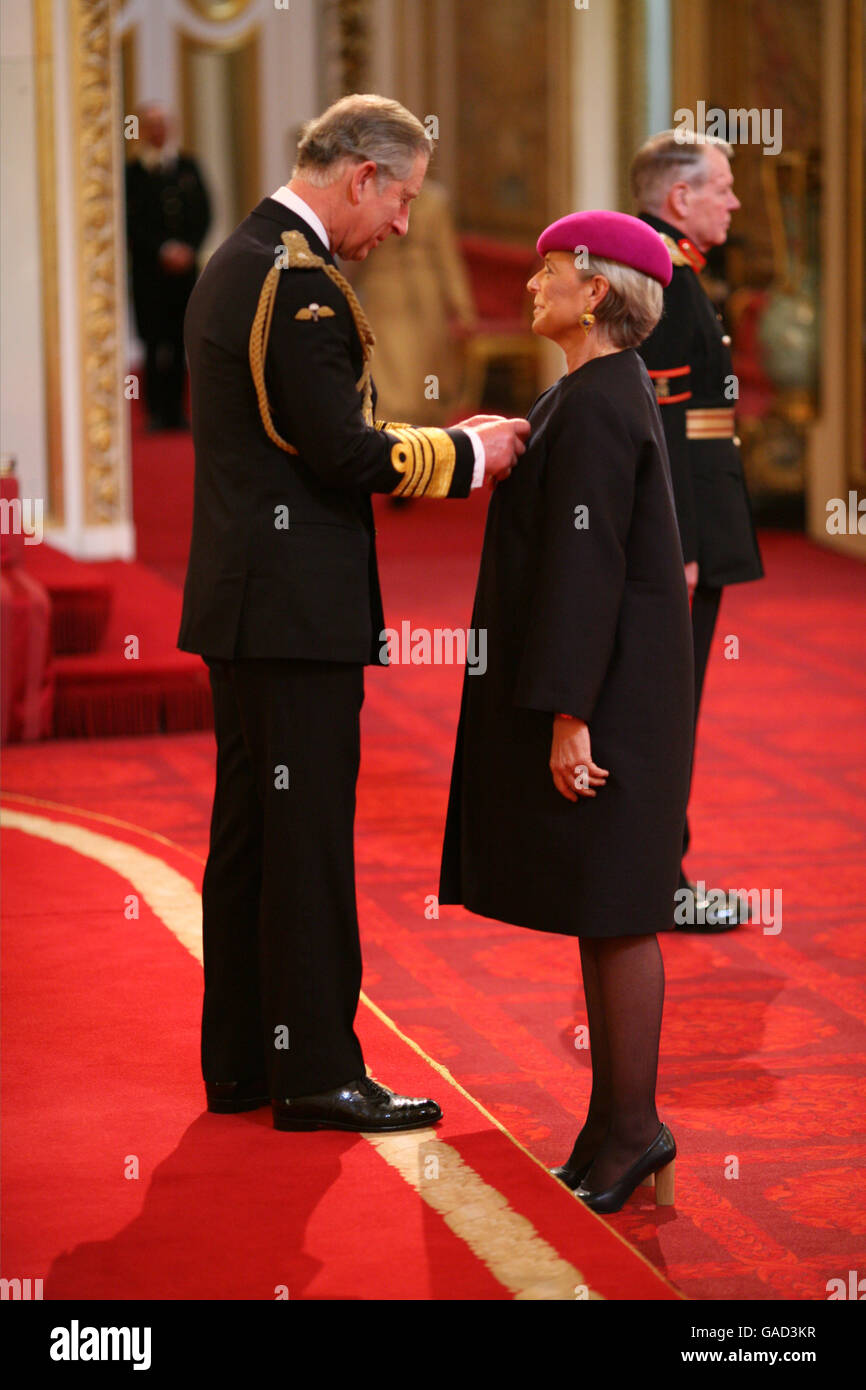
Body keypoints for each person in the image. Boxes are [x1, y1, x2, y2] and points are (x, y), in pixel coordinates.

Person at [177, 94, 529, 1134]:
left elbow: (312, 429)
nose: (405, 225)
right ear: (360, 175)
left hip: (249, 605)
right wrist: (467, 456)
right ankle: (318, 1072)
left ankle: (243, 1060)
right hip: (293, 613)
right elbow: (339, 450)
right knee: (307, 846)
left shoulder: (248, 255)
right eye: (404, 199)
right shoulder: (298, 286)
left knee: (250, 840)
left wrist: (435, 435)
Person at [439, 211, 691, 1213]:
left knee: (620, 907)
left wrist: (567, 713)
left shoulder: (591, 402)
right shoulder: (588, 391)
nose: (531, 285)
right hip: (620, 684)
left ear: (597, 292)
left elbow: (585, 573)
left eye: (550, 273)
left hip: (613, 695)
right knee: (606, 903)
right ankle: (612, 1124)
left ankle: (634, 1128)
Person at [631, 130, 764, 931]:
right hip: (679, 539)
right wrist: (677, 543)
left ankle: (658, 873)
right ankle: (661, 882)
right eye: (722, 186)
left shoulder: (671, 267)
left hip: (691, 528)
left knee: (668, 710)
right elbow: (664, 422)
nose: (735, 200)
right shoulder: (665, 274)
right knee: (665, 716)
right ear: (680, 198)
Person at [125, 102, 211, 430]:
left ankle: (177, 410)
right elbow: (130, 223)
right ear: (144, 131)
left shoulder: (188, 168)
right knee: (152, 341)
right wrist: (161, 250)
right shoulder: (132, 174)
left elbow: (204, 212)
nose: (158, 131)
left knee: (178, 340)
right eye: (152, 125)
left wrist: (188, 249)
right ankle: (153, 411)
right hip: (150, 274)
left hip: (183, 273)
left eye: (163, 124)